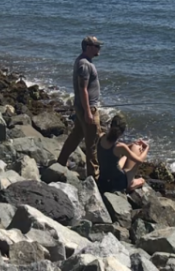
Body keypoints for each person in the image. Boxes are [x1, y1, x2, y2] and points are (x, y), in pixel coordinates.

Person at [57, 35, 103, 179]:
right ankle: (94, 176)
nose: (99, 48)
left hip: (83, 107)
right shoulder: (84, 64)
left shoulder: (84, 61)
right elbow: (82, 88)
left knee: (76, 136)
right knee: (92, 143)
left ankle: (61, 161)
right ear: (89, 47)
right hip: (87, 108)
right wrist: (88, 112)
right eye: (97, 46)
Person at [97, 114, 149, 193]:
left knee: (124, 157)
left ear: (111, 125)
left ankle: (128, 181)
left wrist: (130, 146)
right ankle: (130, 184)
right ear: (122, 132)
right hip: (117, 183)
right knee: (139, 177)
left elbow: (113, 152)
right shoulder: (120, 147)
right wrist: (147, 148)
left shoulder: (101, 137)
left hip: (103, 181)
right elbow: (140, 161)